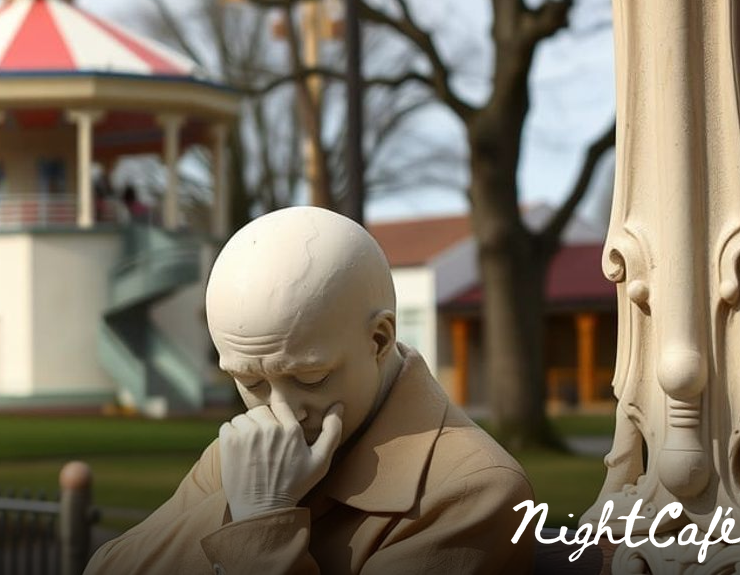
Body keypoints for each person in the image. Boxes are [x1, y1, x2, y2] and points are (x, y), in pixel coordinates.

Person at [86, 206, 535, 574]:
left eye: (310, 377)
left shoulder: (473, 491)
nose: (283, 413)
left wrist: (260, 524)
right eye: (251, 382)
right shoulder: (249, 453)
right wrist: (246, 503)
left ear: (379, 339)